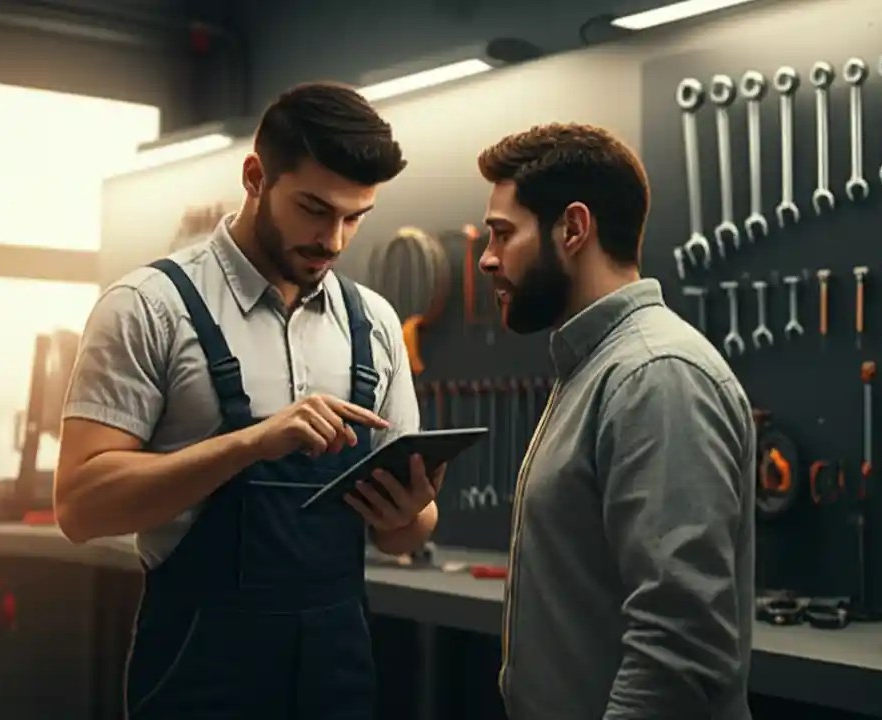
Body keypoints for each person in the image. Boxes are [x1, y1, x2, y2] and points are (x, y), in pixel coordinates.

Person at [54, 81, 445, 719]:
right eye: (314, 209)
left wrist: (410, 512)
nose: (335, 240)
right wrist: (252, 443)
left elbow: (405, 538)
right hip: (198, 676)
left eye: (355, 217)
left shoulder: (373, 323)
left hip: (336, 673)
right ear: (255, 176)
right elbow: (79, 507)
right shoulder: (149, 307)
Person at [477, 123, 755, 720]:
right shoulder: (593, 367)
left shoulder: (655, 376)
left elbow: (679, 643)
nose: (486, 257)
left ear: (573, 229)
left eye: (503, 233)